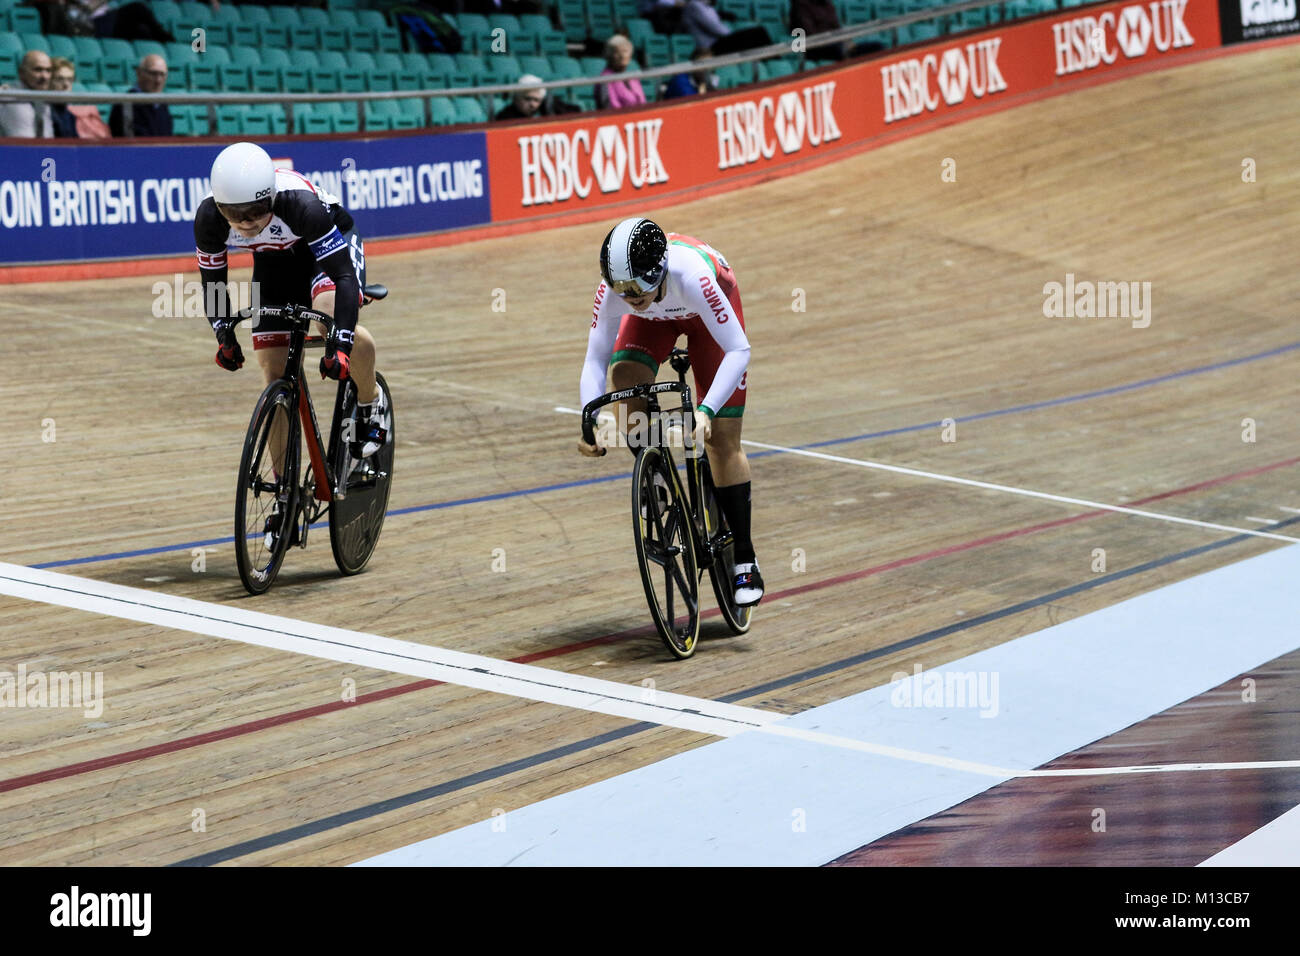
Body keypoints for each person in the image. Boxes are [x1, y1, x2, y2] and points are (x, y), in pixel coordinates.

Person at [194, 143, 389, 541]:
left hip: (324, 250)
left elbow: (346, 279)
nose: (245, 224)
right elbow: (213, 284)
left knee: (328, 308)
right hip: (275, 263)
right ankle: (285, 494)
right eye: (235, 215)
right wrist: (223, 333)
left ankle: (370, 402)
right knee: (273, 369)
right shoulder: (209, 218)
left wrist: (341, 345)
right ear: (219, 205)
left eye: (254, 212)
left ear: (270, 196)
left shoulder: (302, 206)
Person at [577, 217, 763, 606]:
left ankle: (745, 559)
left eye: (638, 288)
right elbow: (595, 358)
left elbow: (738, 350)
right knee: (624, 375)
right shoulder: (619, 291)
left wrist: (708, 410)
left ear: (659, 270)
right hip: (655, 322)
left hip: (709, 318)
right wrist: (589, 419)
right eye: (621, 291)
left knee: (721, 442)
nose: (630, 297)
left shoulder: (692, 276)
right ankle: (659, 480)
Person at [109, 54, 172, 138]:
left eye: (162, 74)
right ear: (139, 73)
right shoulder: (125, 104)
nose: (158, 80)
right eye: (153, 73)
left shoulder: (163, 105)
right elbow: (128, 141)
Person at [48, 57, 112, 139]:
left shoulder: (69, 115)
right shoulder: (44, 111)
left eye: (70, 79)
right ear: (49, 80)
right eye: (60, 79)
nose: (66, 85)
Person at [0, 50, 55, 138]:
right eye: (38, 70)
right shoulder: (6, 95)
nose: (45, 76)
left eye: (48, 70)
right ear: (21, 72)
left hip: (43, 151)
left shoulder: (45, 99)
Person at [493, 73, 580, 120]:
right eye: (527, 99)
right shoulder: (505, 117)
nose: (532, 105)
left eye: (536, 100)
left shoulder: (546, 106)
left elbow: (576, 111)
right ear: (516, 98)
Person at [594, 35, 646, 111]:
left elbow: (642, 101)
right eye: (617, 52)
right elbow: (611, 107)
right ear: (609, 55)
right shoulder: (605, 79)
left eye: (625, 51)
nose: (622, 56)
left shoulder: (632, 77)